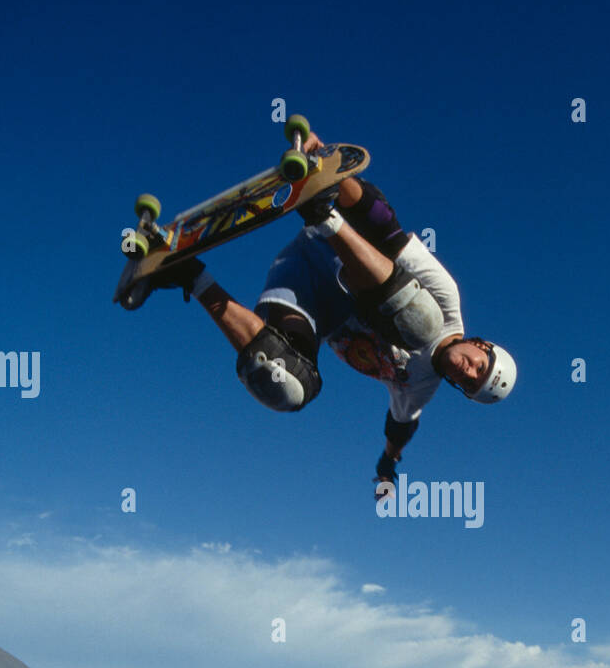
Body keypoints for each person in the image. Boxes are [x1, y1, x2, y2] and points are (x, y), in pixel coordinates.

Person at [132, 127, 517, 488]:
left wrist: (387, 466)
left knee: (286, 385)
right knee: (423, 324)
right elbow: (386, 228)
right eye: (477, 366)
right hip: (332, 246)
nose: (467, 371)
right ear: (481, 345)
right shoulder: (447, 297)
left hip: (302, 289)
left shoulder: (420, 386)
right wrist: (330, 168)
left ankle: (187, 274)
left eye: (469, 383)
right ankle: (323, 209)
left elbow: (400, 428)